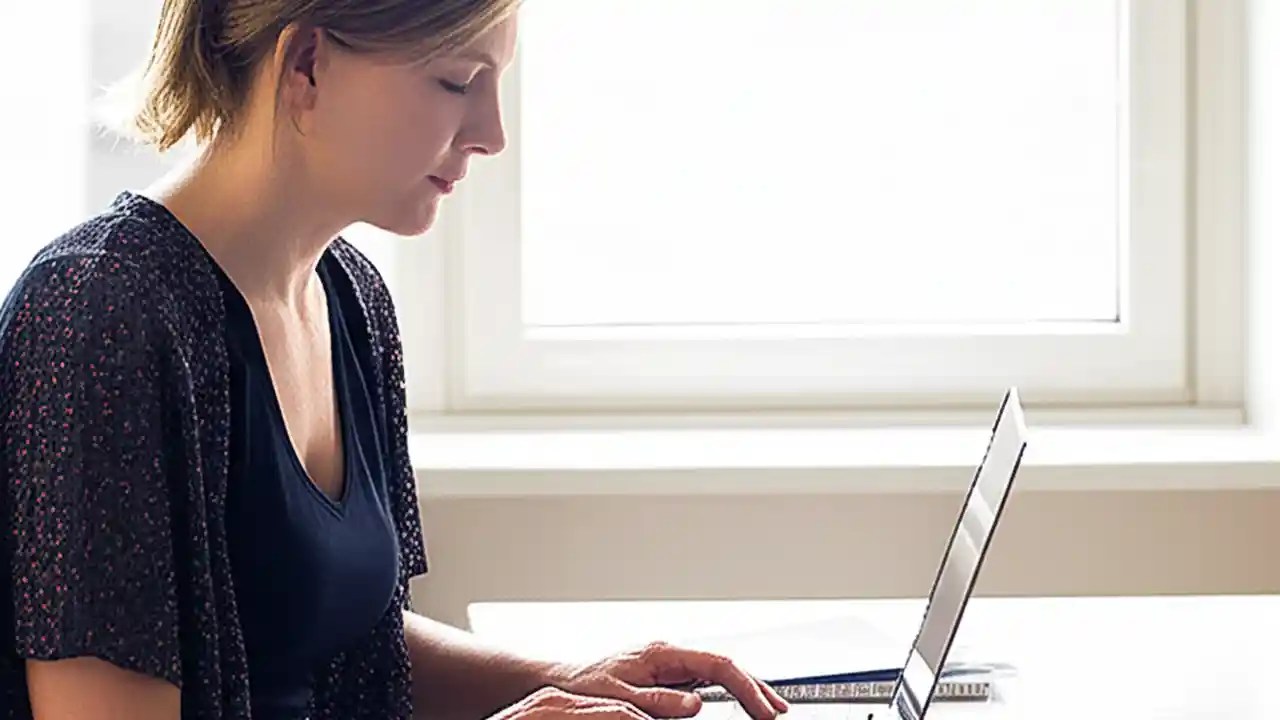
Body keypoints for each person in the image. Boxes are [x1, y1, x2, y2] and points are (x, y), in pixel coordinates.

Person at [0, 1, 793, 719]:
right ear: (307, 64)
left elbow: (348, 646)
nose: (492, 133)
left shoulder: (351, 297)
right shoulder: (97, 317)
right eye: (456, 81)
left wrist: (567, 678)